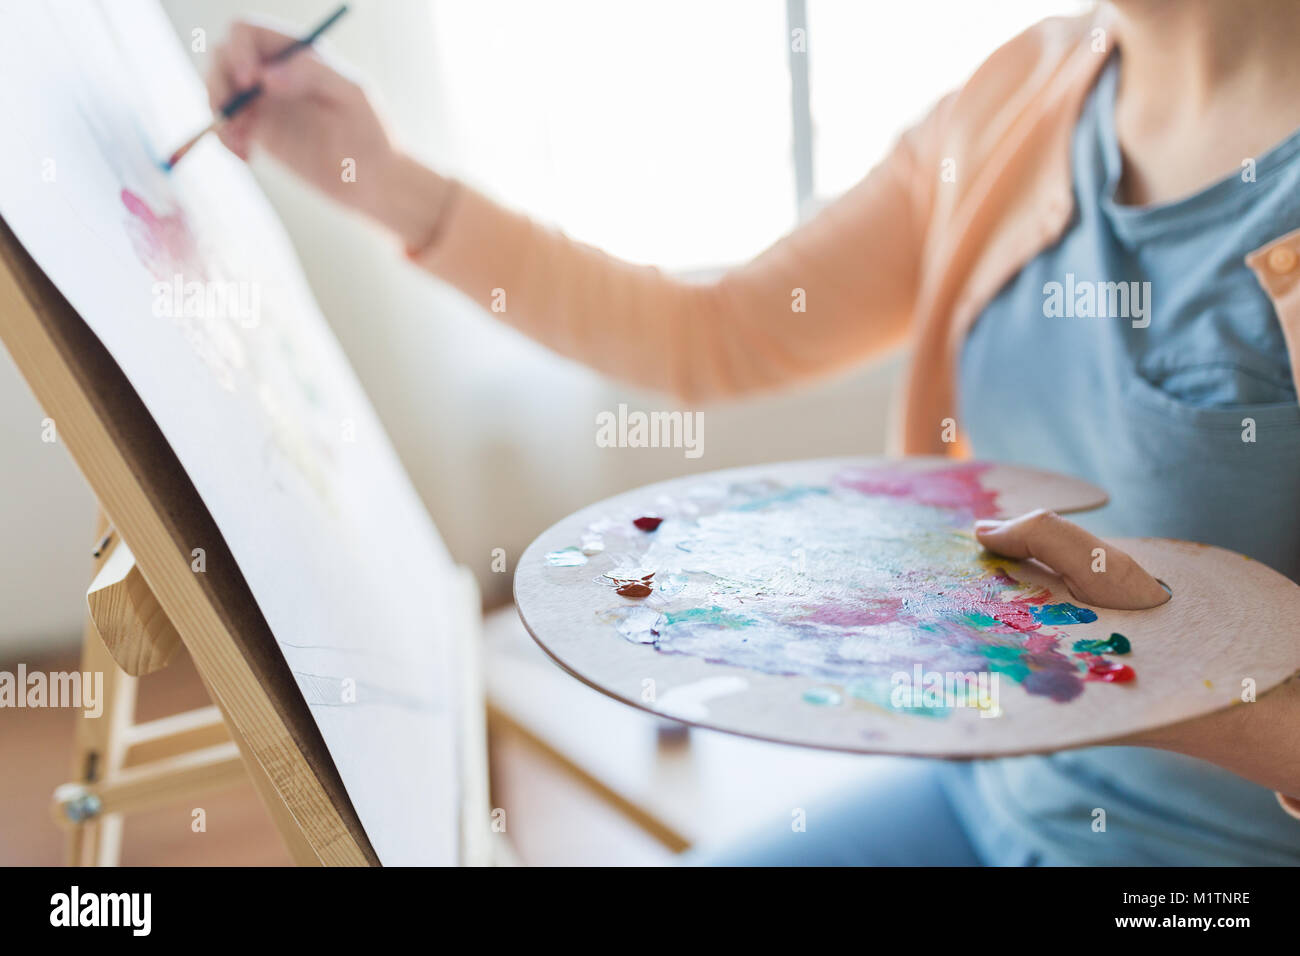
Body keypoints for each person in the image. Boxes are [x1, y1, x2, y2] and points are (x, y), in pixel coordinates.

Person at [207, 0, 1300, 864]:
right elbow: (710, 333)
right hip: (988, 797)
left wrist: (1119, 666)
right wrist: (383, 181)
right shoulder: (1020, 96)